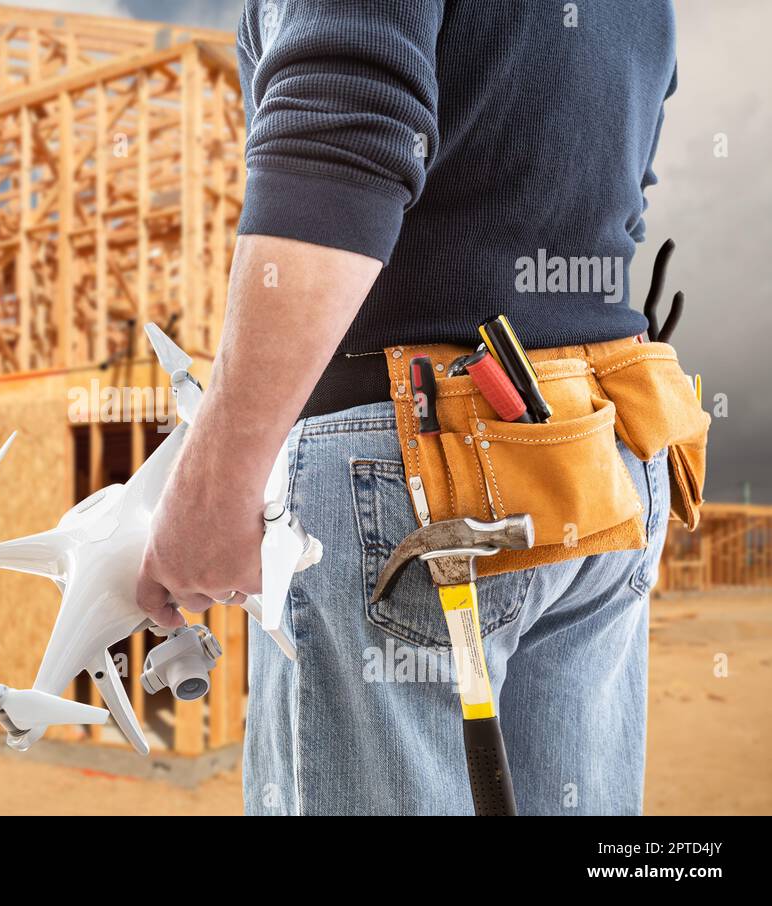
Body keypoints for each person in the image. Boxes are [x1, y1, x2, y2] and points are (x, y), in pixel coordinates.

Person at [135, 0, 678, 815]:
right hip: (605, 449)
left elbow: (339, 143)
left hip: (417, 467)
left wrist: (218, 482)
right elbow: (618, 191)